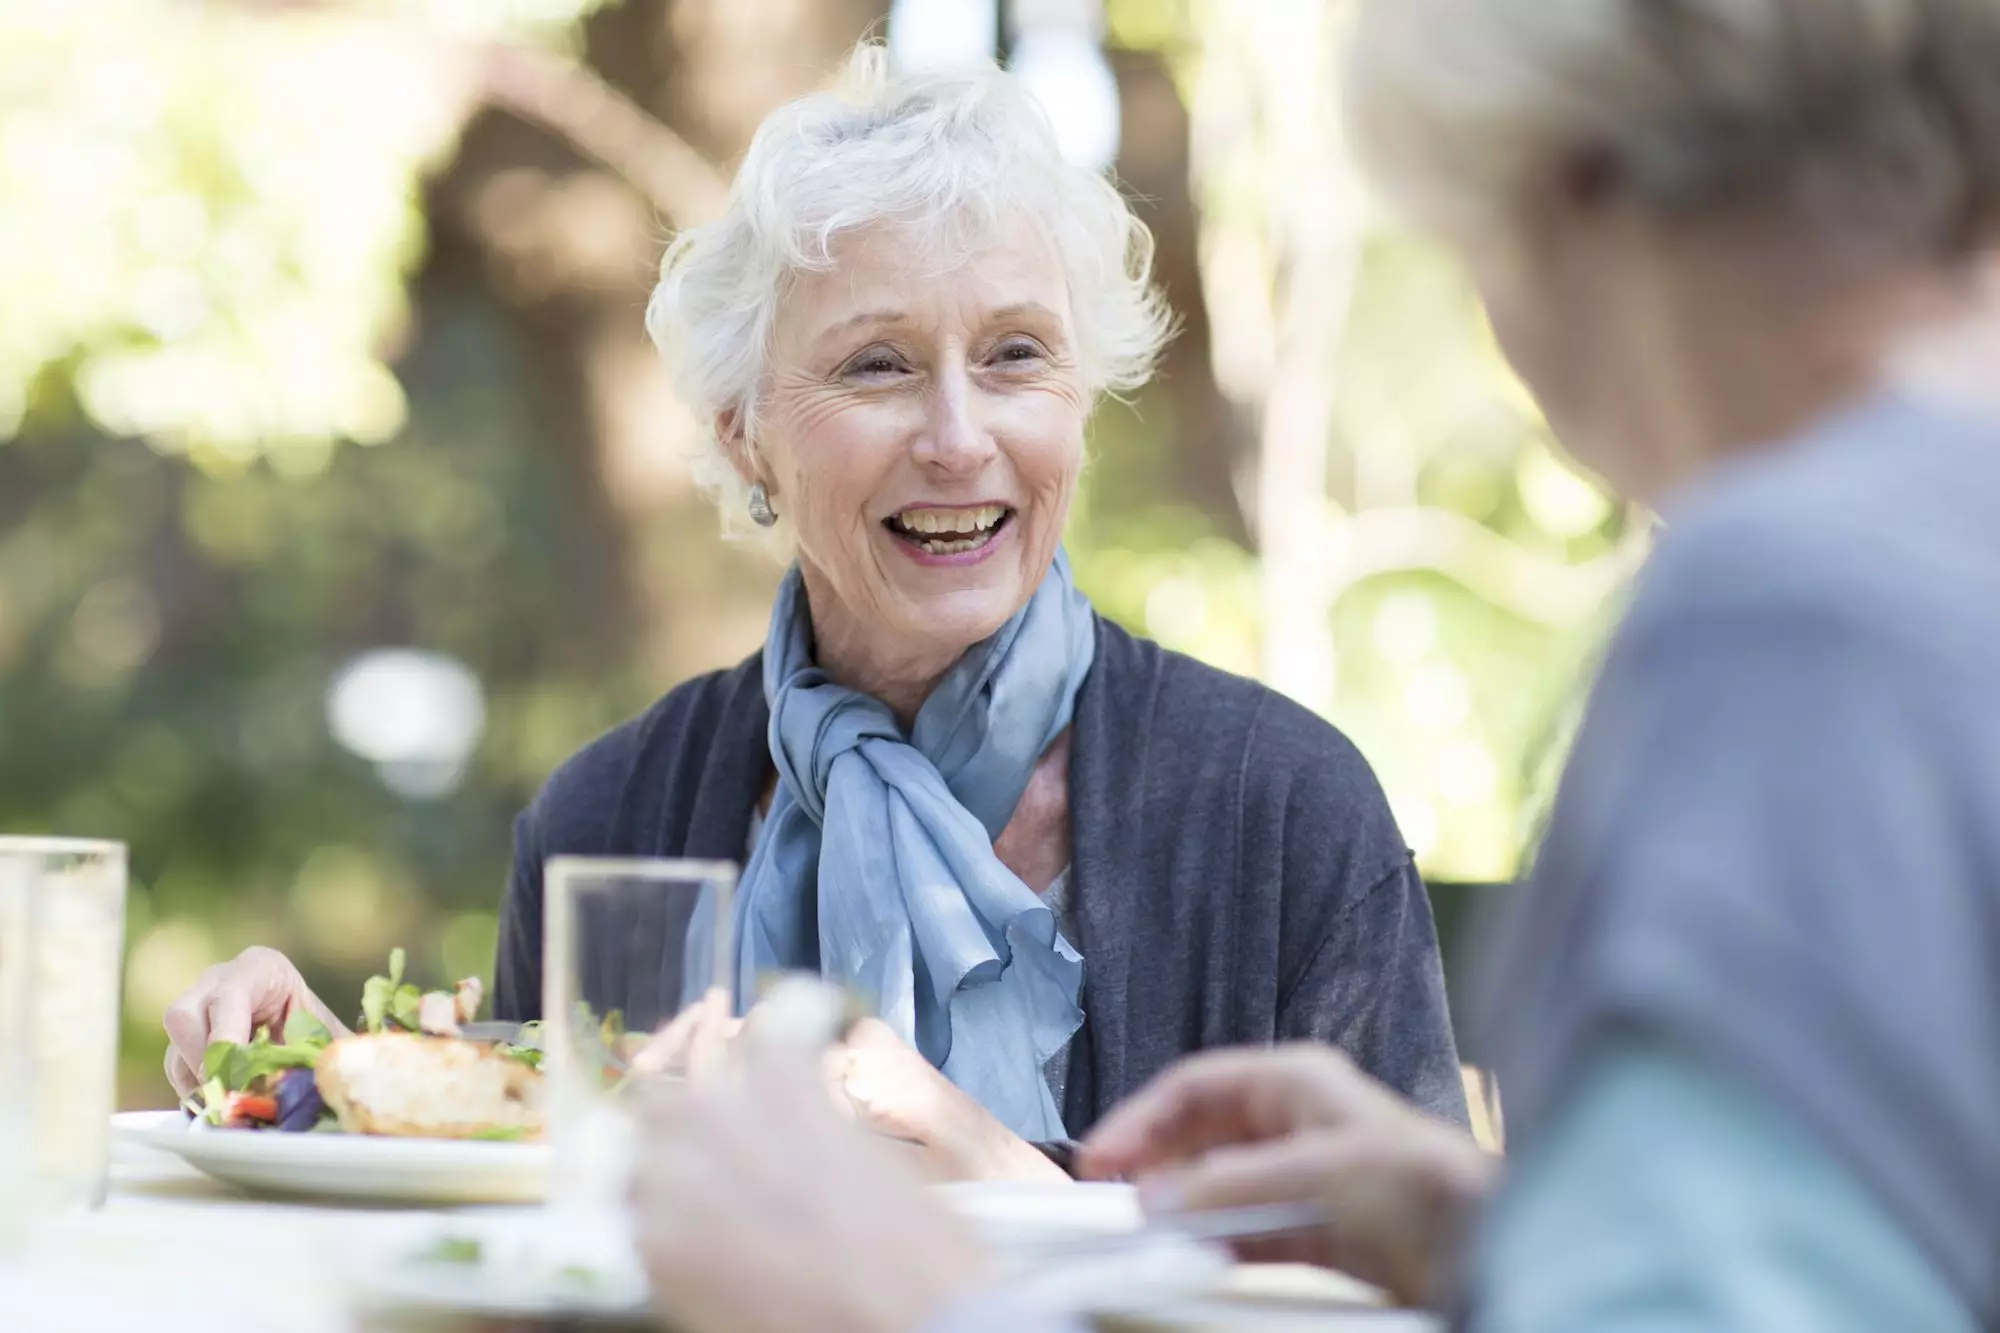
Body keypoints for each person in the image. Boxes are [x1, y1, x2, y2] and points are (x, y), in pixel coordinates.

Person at [624, 0, 2000, 1330]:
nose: (956, 435)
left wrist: (929, 1303)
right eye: (876, 368)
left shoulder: (1802, 616)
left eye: (1465, 228)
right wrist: (1494, 1237)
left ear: (1567, 196)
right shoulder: (1922, 556)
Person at [160, 45, 1468, 1180]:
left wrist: (1000, 1177)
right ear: (746, 439)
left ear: (1080, 397)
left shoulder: (1286, 810)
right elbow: (543, 1238)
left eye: (1016, 354)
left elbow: (1390, 1292)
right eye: (876, 365)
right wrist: (339, 1095)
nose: (959, 439)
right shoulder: (606, 817)